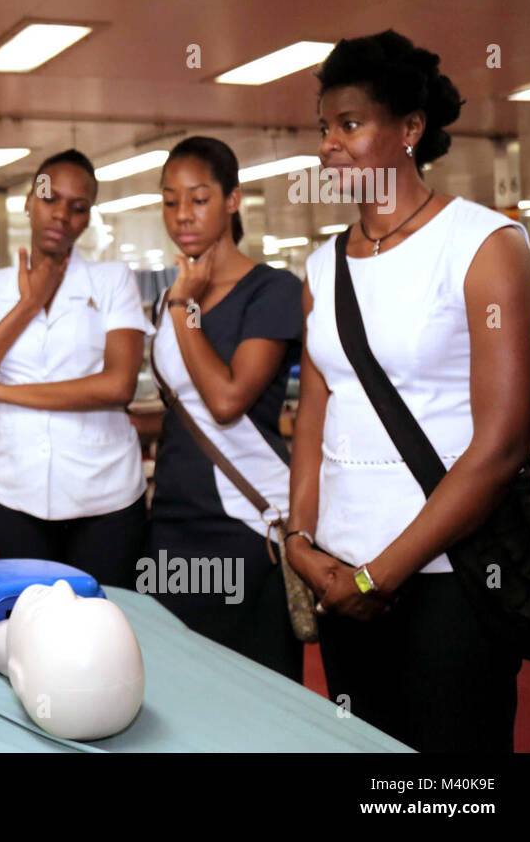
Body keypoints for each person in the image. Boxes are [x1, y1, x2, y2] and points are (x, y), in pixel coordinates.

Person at [288, 30, 530, 751]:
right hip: (339, 572)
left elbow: (502, 444)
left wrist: (380, 577)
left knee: (446, 784)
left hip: (444, 575)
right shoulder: (321, 266)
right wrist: (302, 540)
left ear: (410, 130)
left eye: (351, 124)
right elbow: (316, 410)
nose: (330, 145)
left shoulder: (485, 244)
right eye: (324, 127)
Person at [0, 149, 152, 588]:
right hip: (18, 496)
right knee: (28, 628)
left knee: (104, 625)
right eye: (50, 199)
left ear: (88, 218)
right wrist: (30, 302)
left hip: (106, 496)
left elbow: (117, 385)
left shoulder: (112, 280)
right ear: (28, 203)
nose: (62, 216)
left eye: (79, 208)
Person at [142, 136, 304, 680]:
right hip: (172, 518)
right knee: (180, 681)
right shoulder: (174, 294)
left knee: (255, 684)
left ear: (233, 200)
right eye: (169, 200)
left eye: (199, 198)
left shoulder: (273, 290)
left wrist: (186, 305)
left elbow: (227, 399)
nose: (182, 215)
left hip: (244, 522)